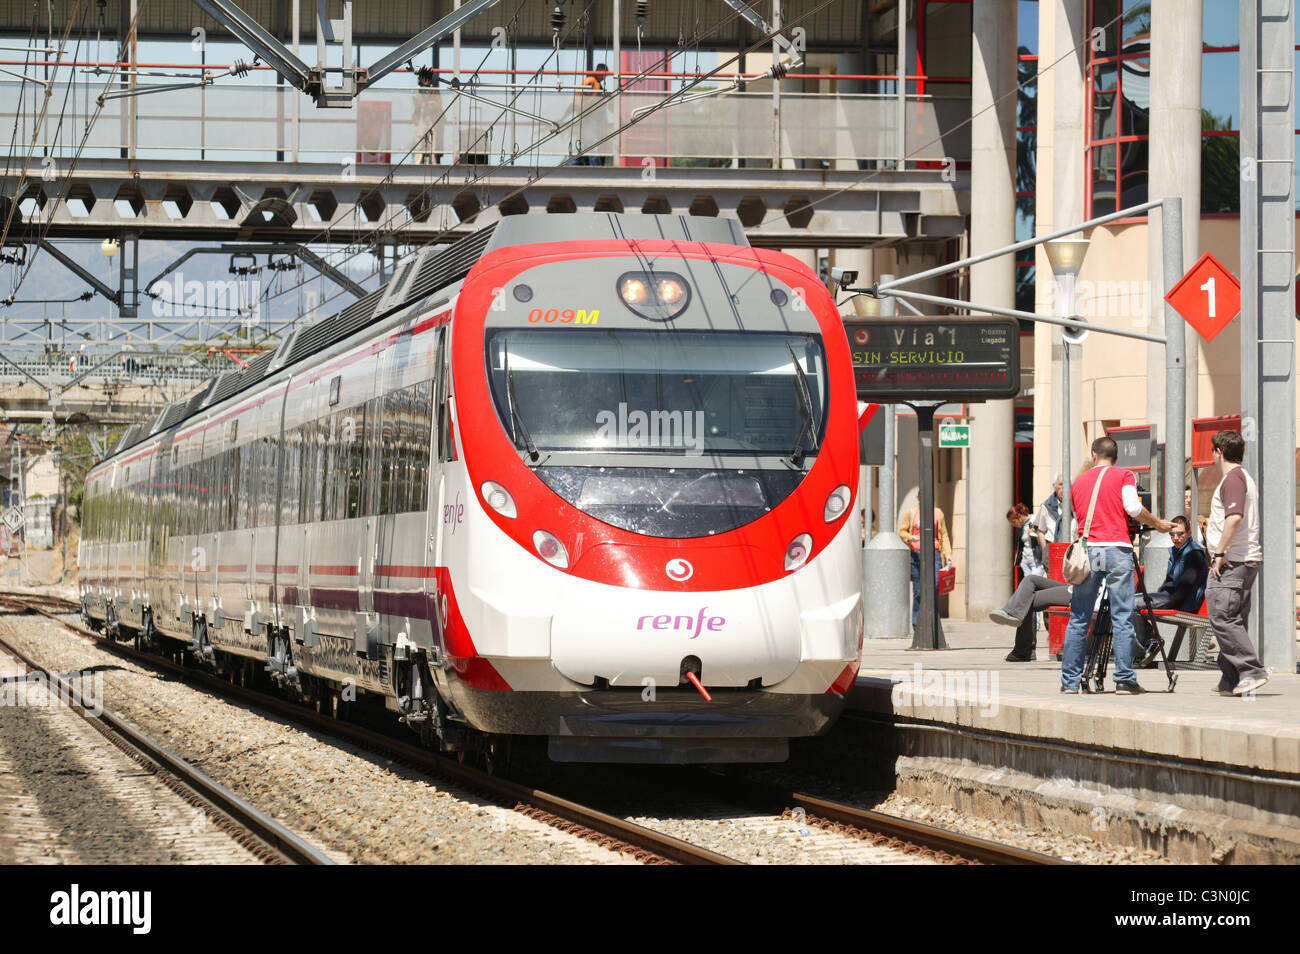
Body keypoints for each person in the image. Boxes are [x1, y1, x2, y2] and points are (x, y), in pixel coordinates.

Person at [1060, 436, 1173, 695]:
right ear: (1116, 457)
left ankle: (1069, 682)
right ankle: (1123, 678)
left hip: (1089, 551)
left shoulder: (1079, 482)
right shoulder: (1124, 475)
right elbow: (1133, 507)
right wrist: (1157, 524)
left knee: (1079, 618)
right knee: (1122, 616)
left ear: (1093, 455)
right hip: (1117, 550)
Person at [1204, 429, 1268, 697]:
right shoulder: (1242, 478)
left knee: (1222, 615)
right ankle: (1231, 678)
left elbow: (1234, 518)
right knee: (1234, 618)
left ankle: (1251, 671)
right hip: (1242, 560)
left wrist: (1219, 553)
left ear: (1218, 452)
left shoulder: (1233, 479)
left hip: (1232, 561)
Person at [990, 574, 1072, 661]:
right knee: (1030, 579)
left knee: (1027, 598)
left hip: (1079, 591)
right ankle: (1009, 612)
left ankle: (1023, 652)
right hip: (1073, 587)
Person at [898, 503, 953, 634]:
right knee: (918, 591)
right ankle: (917, 625)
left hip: (935, 554)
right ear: (918, 498)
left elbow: (943, 534)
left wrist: (948, 553)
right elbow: (902, 531)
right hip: (916, 554)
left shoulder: (938, 513)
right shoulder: (911, 513)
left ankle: (932, 622)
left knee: (934, 586)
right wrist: (909, 537)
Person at [1147, 515, 1208, 612]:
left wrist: (1167, 607)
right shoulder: (1176, 551)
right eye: (1172, 534)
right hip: (1167, 597)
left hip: (1180, 602)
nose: (1175, 538)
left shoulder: (1194, 553)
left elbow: (1184, 588)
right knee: (1129, 601)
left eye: (1180, 533)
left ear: (1189, 533)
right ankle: (1147, 628)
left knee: (1130, 602)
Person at [411, 67, 443, 164]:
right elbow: (417, 102)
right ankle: (418, 161)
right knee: (420, 139)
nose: (426, 81)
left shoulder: (434, 90)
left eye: (428, 79)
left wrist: (429, 103)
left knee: (433, 139)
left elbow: (438, 103)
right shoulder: (416, 90)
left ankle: (433, 161)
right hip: (420, 118)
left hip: (432, 118)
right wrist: (428, 102)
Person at [1007, 502, 1045, 581]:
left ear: (1019, 517)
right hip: (1025, 562)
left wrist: (1034, 533)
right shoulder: (1022, 526)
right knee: (1029, 588)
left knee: (1035, 585)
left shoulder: (1034, 520)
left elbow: (1045, 534)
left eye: (1013, 522)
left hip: (1036, 562)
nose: (1014, 525)